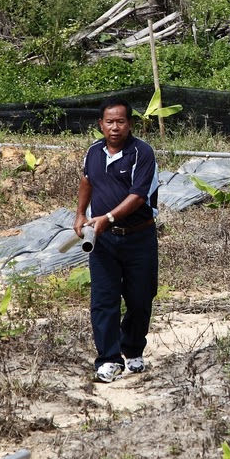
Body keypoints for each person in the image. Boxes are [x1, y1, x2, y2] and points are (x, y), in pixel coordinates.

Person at [74, 100, 158, 384]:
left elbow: (138, 197)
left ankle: (133, 349)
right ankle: (108, 359)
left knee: (140, 298)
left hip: (138, 238)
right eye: (109, 122)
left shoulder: (141, 153)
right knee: (104, 300)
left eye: (120, 121)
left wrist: (107, 217)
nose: (114, 127)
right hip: (103, 241)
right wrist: (80, 214)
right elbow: (87, 181)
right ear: (100, 124)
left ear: (130, 124)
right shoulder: (93, 152)